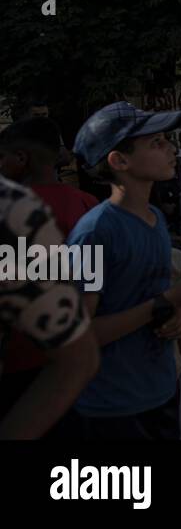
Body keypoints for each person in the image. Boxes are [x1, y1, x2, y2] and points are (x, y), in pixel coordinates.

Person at [67, 102, 181, 439]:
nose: (171, 149)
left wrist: (179, 308)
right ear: (119, 161)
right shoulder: (94, 234)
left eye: (166, 140)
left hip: (161, 390)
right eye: (157, 143)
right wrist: (167, 301)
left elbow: (154, 292)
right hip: (114, 407)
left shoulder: (155, 218)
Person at [0, 176, 100, 439]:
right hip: (57, 365)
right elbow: (92, 283)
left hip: (20, 363)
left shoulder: (13, 206)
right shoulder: (86, 204)